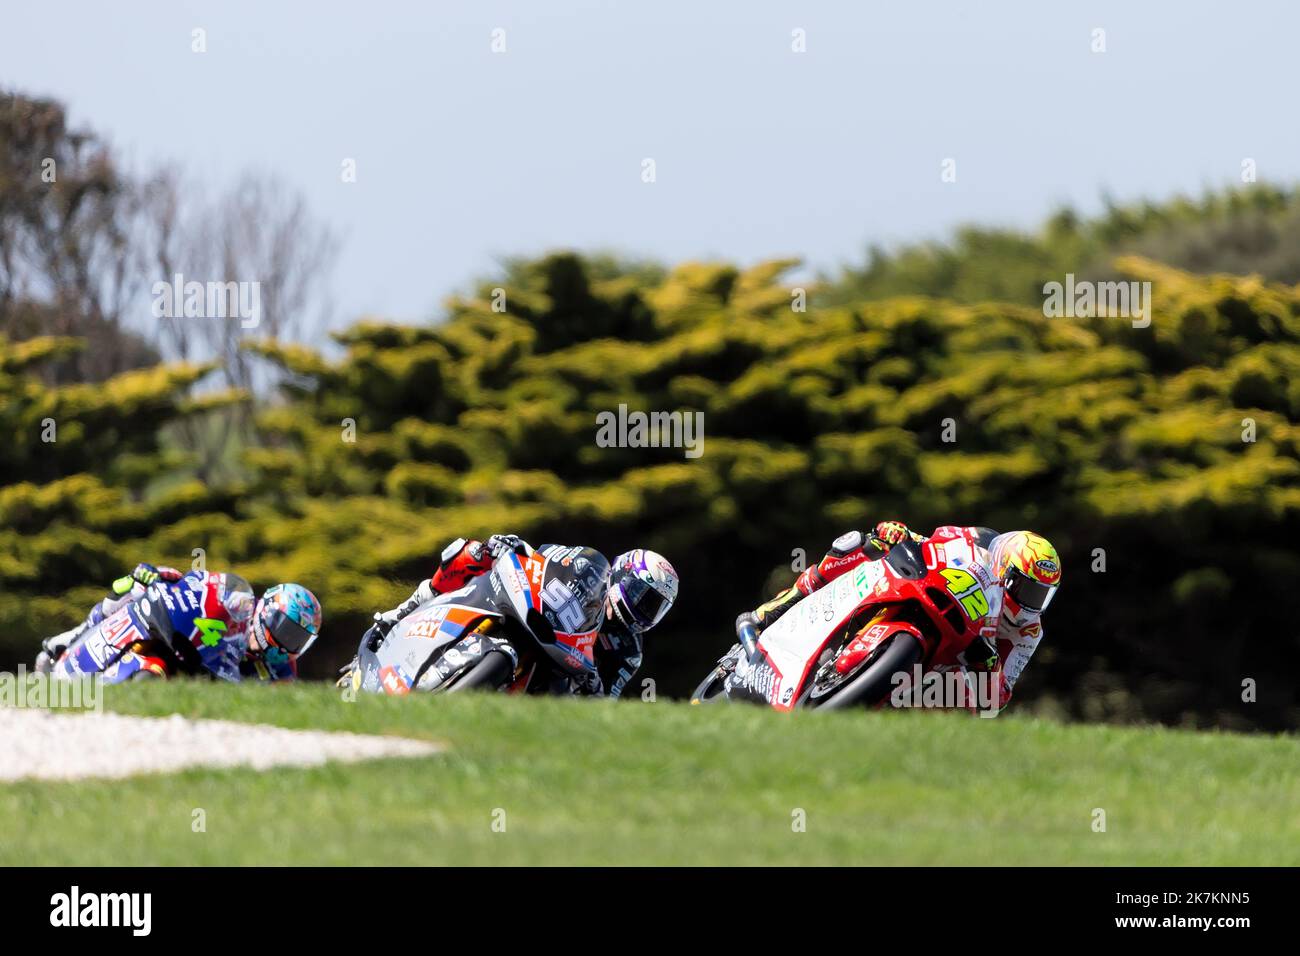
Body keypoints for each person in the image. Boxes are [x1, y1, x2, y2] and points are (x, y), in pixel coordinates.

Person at [742, 522, 1060, 712]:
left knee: (965, 701)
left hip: (953, 664)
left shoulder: (1029, 633)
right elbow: (935, 542)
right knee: (858, 544)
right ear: (1004, 569)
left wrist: (987, 667)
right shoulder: (979, 541)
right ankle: (773, 610)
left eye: (1041, 594)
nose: (1031, 602)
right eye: (1026, 588)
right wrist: (902, 533)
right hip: (939, 601)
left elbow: (999, 699)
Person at [369, 535, 679, 698]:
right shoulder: (589, 569)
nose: (642, 608)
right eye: (641, 595)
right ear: (623, 574)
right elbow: (547, 559)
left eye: (653, 606)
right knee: (471, 552)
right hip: (541, 624)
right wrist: (515, 546)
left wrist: (591, 684)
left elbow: (605, 703)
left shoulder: (629, 651)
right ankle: (405, 610)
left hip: (560, 675)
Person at [35, 562, 322, 682]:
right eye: (287, 631)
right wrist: (162, 575)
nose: (288, 645)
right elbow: (198, 585)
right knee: (130, 588)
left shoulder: (282, 668)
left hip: (209, 685)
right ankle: (68, 640)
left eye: (299, 640)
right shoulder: (239, 603)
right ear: (268, 611)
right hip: (189, 644)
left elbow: (278, 700)